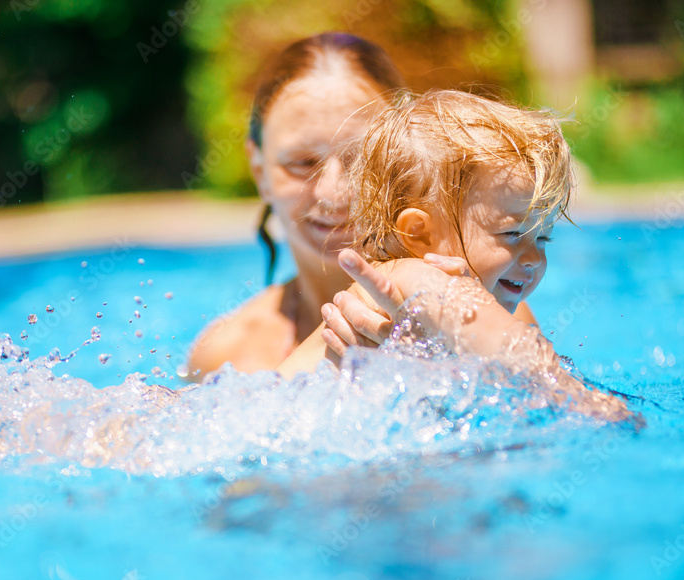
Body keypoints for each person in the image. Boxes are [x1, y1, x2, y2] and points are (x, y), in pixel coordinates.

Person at [186, 33, 539, 380]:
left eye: (361, 158)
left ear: (407, 165)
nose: (333, 193)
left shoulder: (483, 320)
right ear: (260, 171)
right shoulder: (224, 354)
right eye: (303, 162)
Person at [276, 89, 634, 422]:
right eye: (512, 233)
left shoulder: (483, 307)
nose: (534, 259)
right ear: (418, 233)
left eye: (543, 239)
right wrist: (592, 403)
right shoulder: (412, 276)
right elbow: (537, 374)